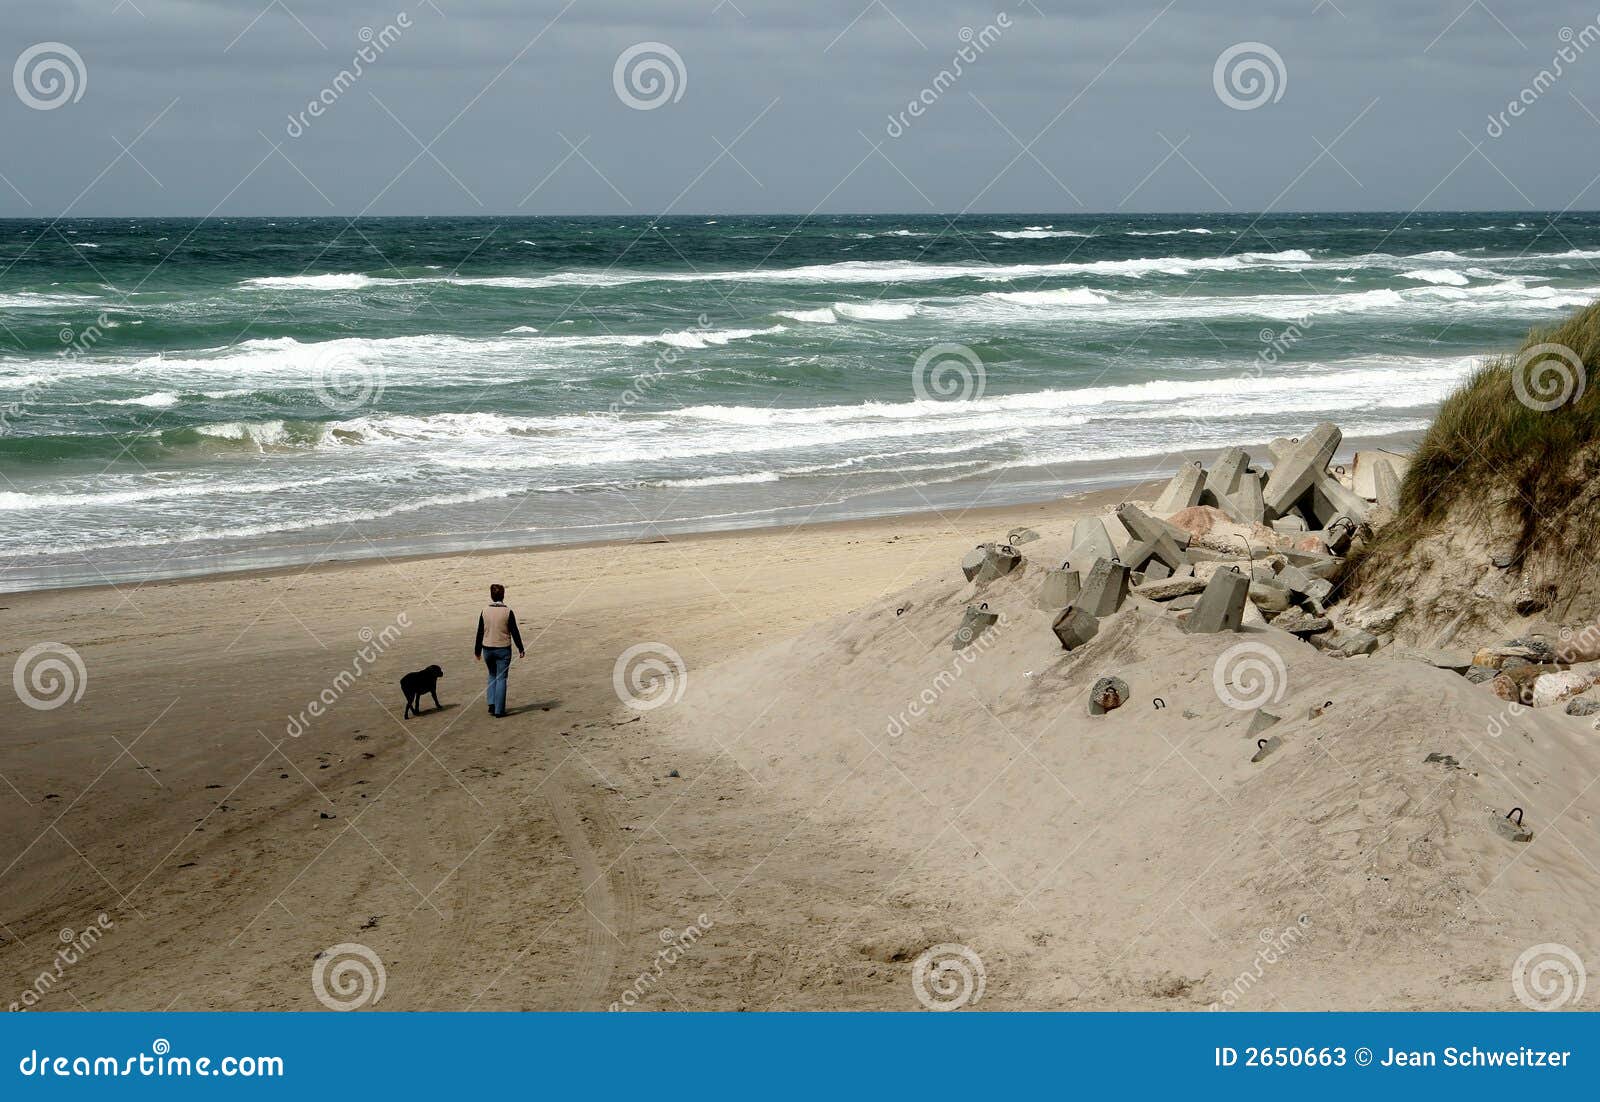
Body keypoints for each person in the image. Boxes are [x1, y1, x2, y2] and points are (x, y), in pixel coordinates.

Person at [473, 583, 525, 718]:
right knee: (501, 678)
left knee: (492, 674)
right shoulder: (507, 611)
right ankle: (499, 710)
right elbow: (514, 631)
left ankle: (492, 703)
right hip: (503, 649)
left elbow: (480, 632)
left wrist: (477, 650)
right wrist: (520, 648)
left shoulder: (484, 611)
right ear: (503, 595)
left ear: (491, 595)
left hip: (487, 648)